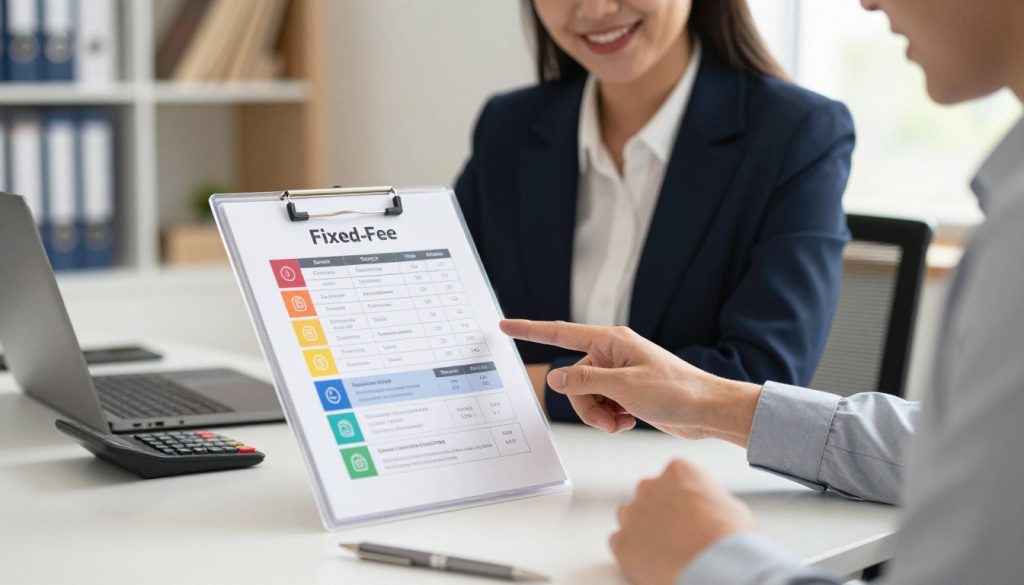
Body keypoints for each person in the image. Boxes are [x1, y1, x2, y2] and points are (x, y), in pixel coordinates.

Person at [499, 0, 1024, 581]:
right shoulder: (511, 124)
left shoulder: (801, 130)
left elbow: (765, 364)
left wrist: (718, 563)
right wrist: (702, 399)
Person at [454, 0, 855, 426]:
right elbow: (441, 324)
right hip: (518, 466)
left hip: (693, 472)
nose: (595, 8)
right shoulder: (508, 127)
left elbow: (763, 379)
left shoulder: (797, 134)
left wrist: (537, 385)